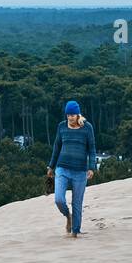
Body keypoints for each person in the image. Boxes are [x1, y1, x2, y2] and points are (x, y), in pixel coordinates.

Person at [46, 100, 96, 238]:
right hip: (62, 169)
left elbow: (92, 149)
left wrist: (92, 167)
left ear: (78, 114)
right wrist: (51, 166)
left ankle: (75, 233)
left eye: (73, 114)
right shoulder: (61, 126)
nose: (70, 117)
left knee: (77, 204)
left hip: (80, 171)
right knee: (59, 199)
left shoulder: (87, 128)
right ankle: (68, 215)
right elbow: (56, 147)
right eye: (68, 115)